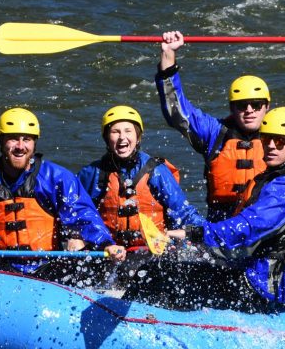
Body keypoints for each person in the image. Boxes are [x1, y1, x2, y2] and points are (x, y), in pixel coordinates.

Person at [155, 29, 285, 222]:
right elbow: (178, 113)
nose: (249, 110)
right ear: (232, 108)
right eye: (242, 105)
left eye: (256, 104)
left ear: (267, 106)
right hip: (223, 226)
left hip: (267, 223)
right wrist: (168, 56)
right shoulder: (215, 133)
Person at [170, 107, 285, 310]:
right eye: (266, 139)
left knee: (167, 278)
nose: (271, 146)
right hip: (259, 273)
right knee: (179, 264)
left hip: (267, 288)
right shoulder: (276, 179)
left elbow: (246, 227)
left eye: (280, 141)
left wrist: (192, 233)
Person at [0, 108, 121, 275]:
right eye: (13, 139)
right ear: (1, 141)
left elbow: (83, 214)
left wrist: (105, 243)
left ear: (34, 144)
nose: (20, 146)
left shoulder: (56, 178)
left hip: (47, 267)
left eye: (27, 139)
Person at [77, 104, 205, 248]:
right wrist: (75, 236)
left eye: (128, 131)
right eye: (115, 132)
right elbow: (76, 211)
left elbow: (183, 211)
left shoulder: (156, 171)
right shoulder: (93, 173)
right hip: (110, 250)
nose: (122, 137)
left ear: (138, 137)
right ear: (107, 138)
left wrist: (203, 231)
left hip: (152, 250)